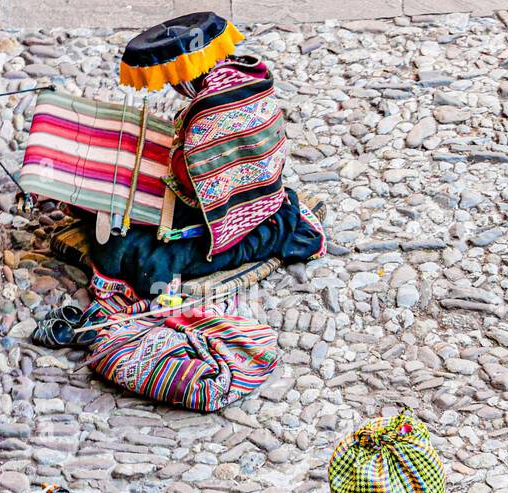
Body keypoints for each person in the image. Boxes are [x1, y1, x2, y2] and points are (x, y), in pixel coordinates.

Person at [35, 11, 324, 346]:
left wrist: (152, 168)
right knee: (106, 210)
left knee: (123, 249)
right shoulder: (248, 74)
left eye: (175, 81)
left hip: (226, 215)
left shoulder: (210, 115)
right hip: (261, 192)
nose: (174, 87)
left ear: (186, 74)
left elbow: (189, 185)